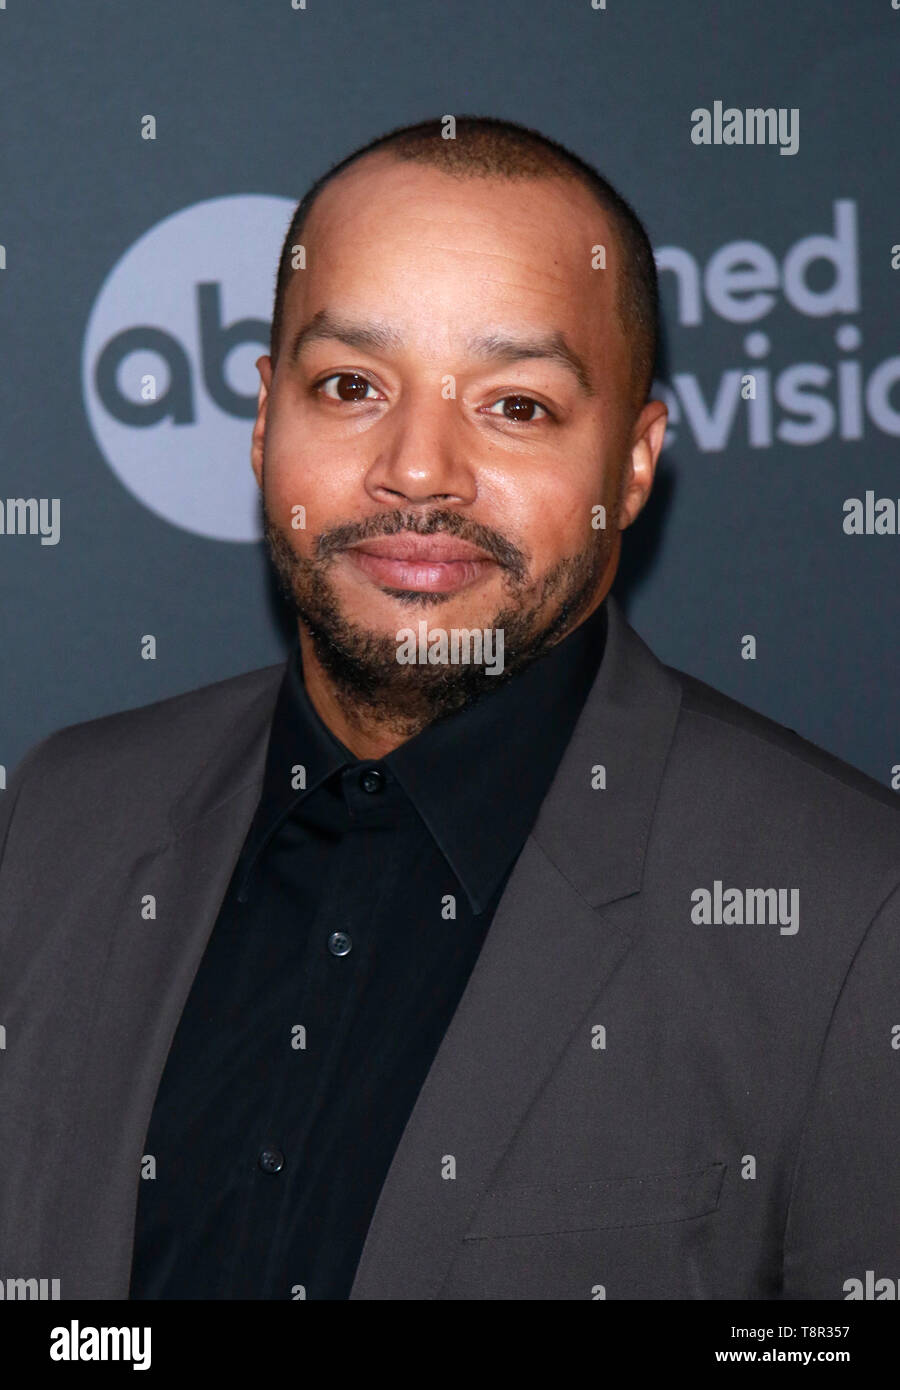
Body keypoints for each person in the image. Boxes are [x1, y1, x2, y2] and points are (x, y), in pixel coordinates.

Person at [1, 116, 898, 1302]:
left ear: (633, 465)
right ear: (268, 421)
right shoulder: (62, 816)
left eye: (515, 404)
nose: (418, 469)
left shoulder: (848, 915)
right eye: (352, 385)